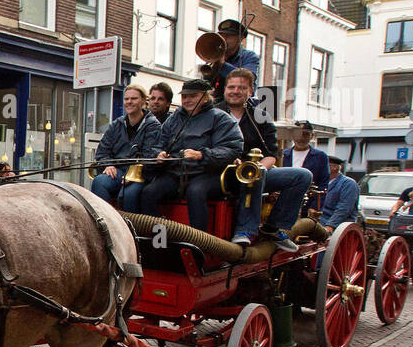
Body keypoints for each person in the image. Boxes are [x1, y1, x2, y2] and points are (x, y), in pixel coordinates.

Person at [135, 78, 243, 232]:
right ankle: (158, 240)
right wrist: (159, 154)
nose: (187, 100)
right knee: (149, 192)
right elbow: (158, 144)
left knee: (195, 191)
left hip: (207, 173)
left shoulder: (220, 118)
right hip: (176, 173)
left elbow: (232, 149)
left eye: (193, 96)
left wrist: (201, 155)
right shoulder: (174, 118)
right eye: (184, 96)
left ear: (205, 97)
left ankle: (198, 241)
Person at [223, 69, 311, 252]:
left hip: (254, 172)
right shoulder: (214, 113)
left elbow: (271, 154)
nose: (235, 91)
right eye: (231, 87)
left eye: (241, 88)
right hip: (223, 173)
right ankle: (245, 231)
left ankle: (273, 227)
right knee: (254, 174)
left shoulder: (261, 117)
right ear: (225, 89)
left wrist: (257, 168)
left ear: (250, 91)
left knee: (302, 176)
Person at [91, 84, 160, 212]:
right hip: (118, 172)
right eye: (126, 99)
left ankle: (130, 224)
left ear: (143, 101)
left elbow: (150, 155)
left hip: (140, 175)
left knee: (128, 195)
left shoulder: (153, 125)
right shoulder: (116, 124)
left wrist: (132, 174)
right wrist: (108, 165)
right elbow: (102, 151)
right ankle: (104, 220)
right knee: (99, 182)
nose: (129, 102)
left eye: (134, 99)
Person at [207, 19, 260, 101]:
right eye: (222, 36)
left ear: (240, 38)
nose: (224, 39)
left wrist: (222, 64)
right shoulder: (217, 55)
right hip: (217, 101)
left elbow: (247, 78)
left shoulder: (249, 56)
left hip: (240, 102)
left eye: (228, 36)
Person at [282, 124, 331, 190]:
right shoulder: (283, 155)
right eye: (298, 134)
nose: (301, 138)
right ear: (292, 135)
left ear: (312, 136)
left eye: (305, 134)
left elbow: (324, 183)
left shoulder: (320, 156)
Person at [319, 155, 361, 228]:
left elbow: (344, 208)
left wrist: (330, 225)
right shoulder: (321, 182)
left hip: (337, 224)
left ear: (334, 167)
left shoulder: (348, 184)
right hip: (318, 220)